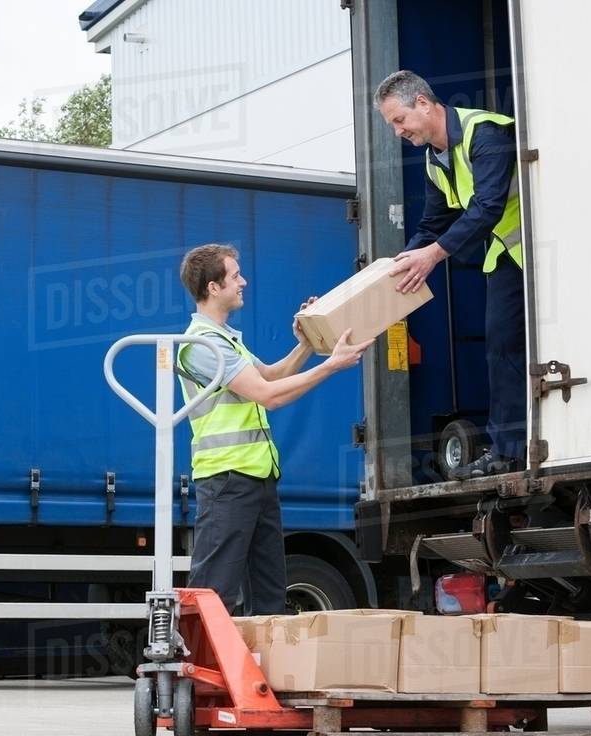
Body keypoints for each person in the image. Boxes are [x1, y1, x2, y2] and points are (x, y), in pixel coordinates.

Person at [175, 244, 371, 614]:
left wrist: (308, 344)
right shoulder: (200, 345)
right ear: (214, 287)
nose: (243, 282)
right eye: (235, 276)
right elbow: (267, 395)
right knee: (214, 591)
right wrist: (331, 365)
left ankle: (264, 671)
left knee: (269, 591)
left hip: (256, 476)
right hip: (227, 478)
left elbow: (269, 375)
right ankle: (201, 672)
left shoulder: (224, 339)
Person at [375, 69, 526, 480]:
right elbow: (432, 224)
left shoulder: (486, 133)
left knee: (515, 345)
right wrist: (396, 267)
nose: (398, 131)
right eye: (393, 124)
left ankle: (516, 447)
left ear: (423, 103)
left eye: (399, 120)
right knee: (501, 347)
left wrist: (433, 257)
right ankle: (510, 449)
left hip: (539, 247)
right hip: (509, 253)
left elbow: (488, 207)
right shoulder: (434, 160)